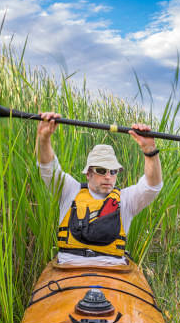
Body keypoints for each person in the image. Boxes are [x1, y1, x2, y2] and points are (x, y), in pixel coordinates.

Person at [37, 112, 163, 265]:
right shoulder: (69, 190)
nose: (108, 176)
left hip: (112, 270)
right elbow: (48, 168)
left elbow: (152, 186)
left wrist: (150, 150)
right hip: (69, 267)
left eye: (113, 171)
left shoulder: (126, 199)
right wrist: (43, 138)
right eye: (102, 171)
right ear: (88, 174)